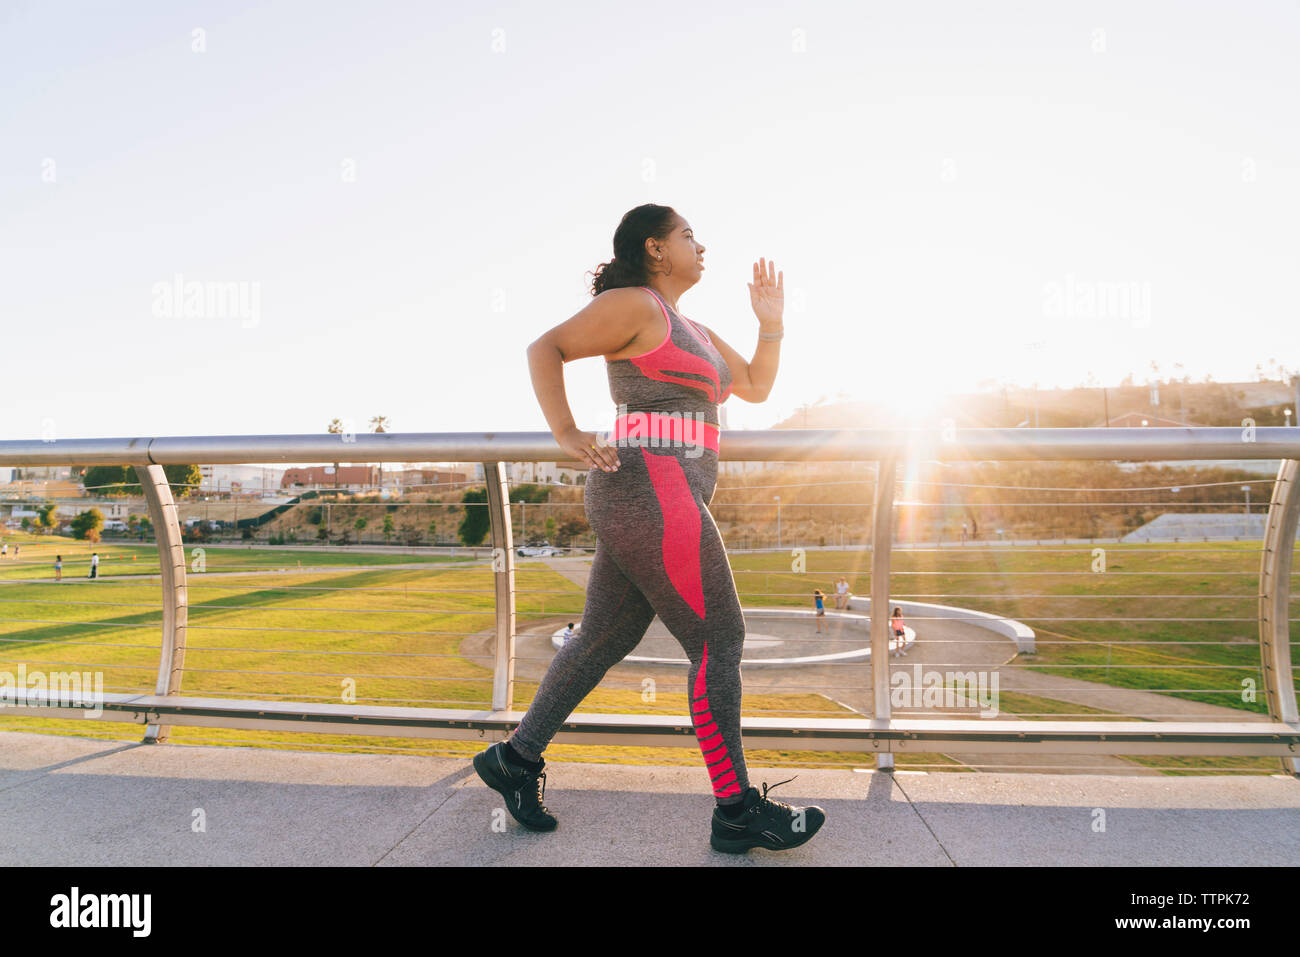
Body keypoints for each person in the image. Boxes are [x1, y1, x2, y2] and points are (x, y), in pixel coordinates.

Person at [473, 204, 824, 854]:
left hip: (663, 494)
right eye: (689, 235)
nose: (702, 244)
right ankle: (735, 809)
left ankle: (515, 760)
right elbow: (543, 348)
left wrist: (770, 326)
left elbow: (755, 386)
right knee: (720, 638)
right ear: (656, 249)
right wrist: (568, 433)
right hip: (647, 486)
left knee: (605, 635)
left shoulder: (697, 328)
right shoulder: (636, 305)